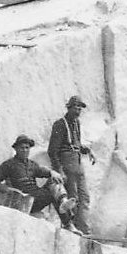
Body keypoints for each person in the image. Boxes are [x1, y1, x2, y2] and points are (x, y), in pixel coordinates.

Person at [47, 96, 93, 234]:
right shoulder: (60, 125)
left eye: (80, 107)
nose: (78, 110)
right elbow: (52, 151)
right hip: (67, 166)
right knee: (73, 199)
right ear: (69, 107)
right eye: (76, 107)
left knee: (85, 198)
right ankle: (72, 229)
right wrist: (59, 170)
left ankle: (85, 230)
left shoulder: (76, 123)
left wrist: (86, 150)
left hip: (78, 165)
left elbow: (75, 145)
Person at [0, 136, 64, 219]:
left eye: (27, 148)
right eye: (22, 148)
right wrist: (7, 189)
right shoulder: (8, 164)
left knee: (54, 181)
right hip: (22, 200)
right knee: (52, 195)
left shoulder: (32, 164)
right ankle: (65, 213)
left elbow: (42, 171)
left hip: (36, 198)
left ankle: (65, 212)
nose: (25, 150)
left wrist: (52, 172)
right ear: (16, 149)